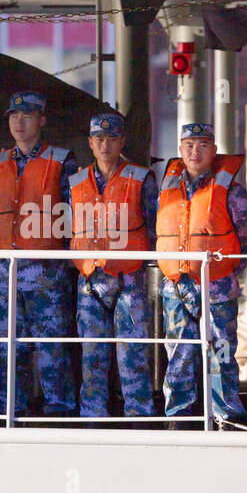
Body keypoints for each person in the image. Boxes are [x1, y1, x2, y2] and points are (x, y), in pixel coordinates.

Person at [156, 123, 247, 429]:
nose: (194, 152)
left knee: (222, 351)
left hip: (217, 287)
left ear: (213, 151)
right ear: (180, 150)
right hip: (176, 288)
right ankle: (179, 414)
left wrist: (224, 270)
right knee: (177, 352)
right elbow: (156, 230)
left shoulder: (231, 190)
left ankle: (225, 413)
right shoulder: (166, 189)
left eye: (202, 145)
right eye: (188, 145)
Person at [0, 90, 79, 418]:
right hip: (5, 272)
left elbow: (74, 215)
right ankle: (11, 412)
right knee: (9, 346)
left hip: (47, 272)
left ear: (42, 120)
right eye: (13, 116)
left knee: (51, 346)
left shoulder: (61, 161)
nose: (19, 122)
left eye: (27, 116)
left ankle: (59, 413)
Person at [68, 113, 158, 421]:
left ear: (122, 142)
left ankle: (139, 417)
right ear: (90, 143)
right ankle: (93, 417)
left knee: (132, 354)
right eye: (99, 139)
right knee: (92, 356)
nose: (105, 144)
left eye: (111, 138)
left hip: (129, 279)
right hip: (91, 282)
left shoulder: (141, 178)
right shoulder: (75, 182)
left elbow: (154, 225)